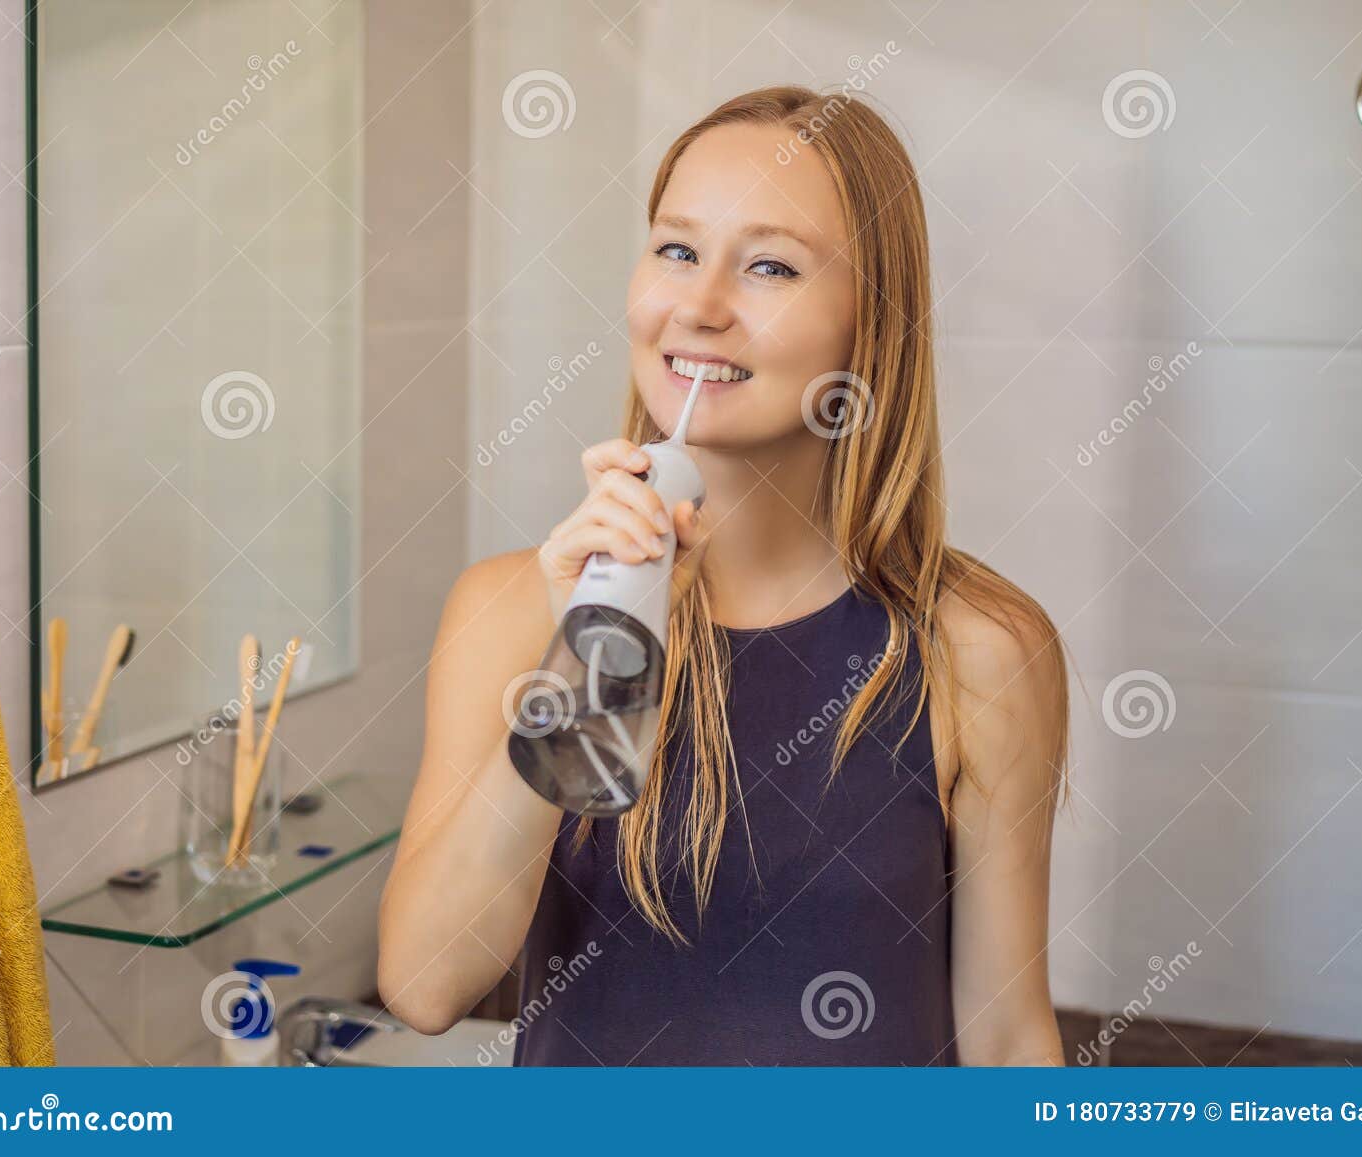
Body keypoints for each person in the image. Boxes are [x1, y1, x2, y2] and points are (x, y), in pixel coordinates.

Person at [378, 85, 1070, 1066]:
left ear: (870, 322)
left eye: (770, 266)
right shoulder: (507, 609)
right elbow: (425, 984)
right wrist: (588, 655)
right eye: (675, 249)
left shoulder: (982, 649)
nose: (698, 307)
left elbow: (1004, 1040)